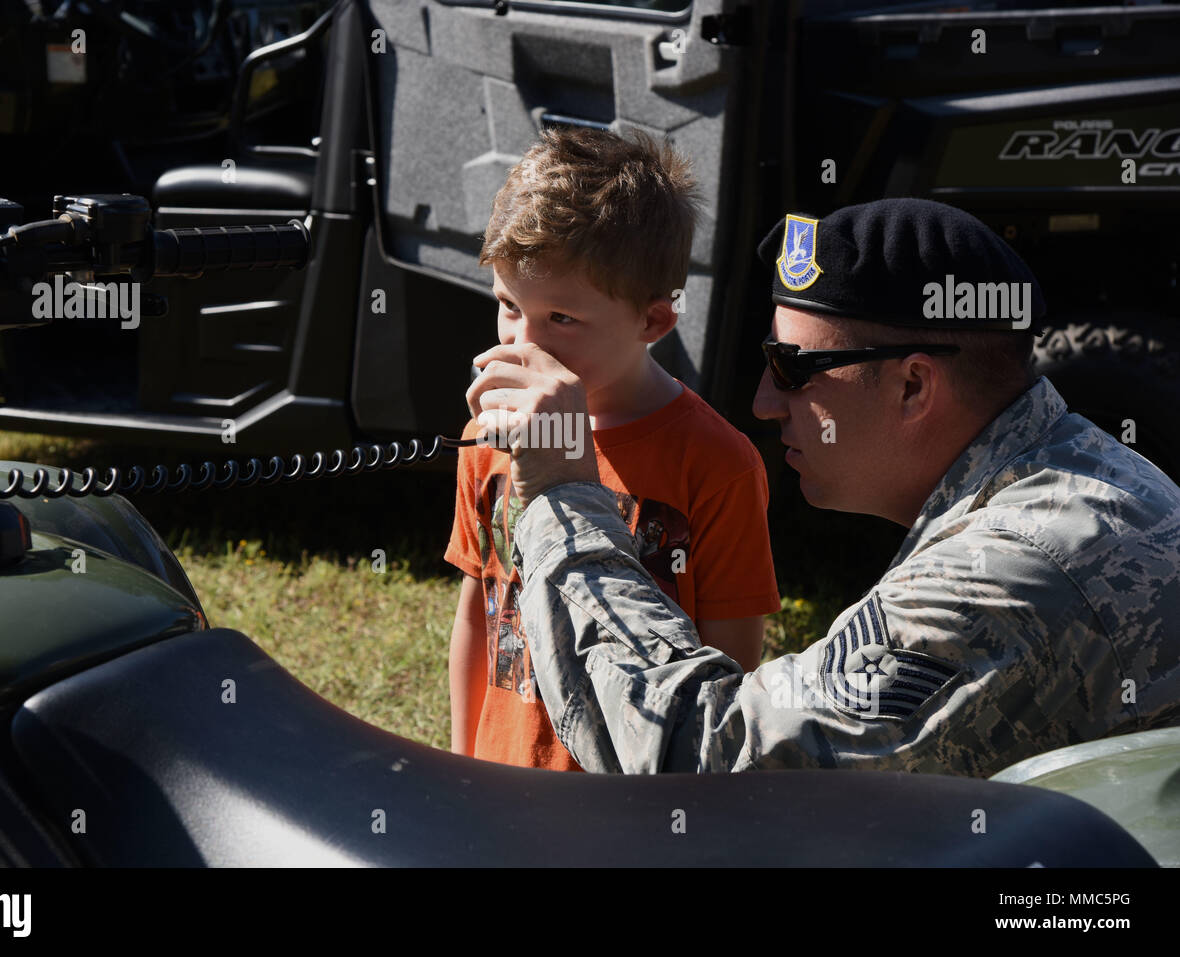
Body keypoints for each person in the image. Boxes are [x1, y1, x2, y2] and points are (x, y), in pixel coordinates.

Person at [466, 197, 1180, 777]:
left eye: (792, 368)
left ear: (912, 384)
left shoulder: (1006, 574)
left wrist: (561, 492)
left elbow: (700, 756)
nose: (764, 404)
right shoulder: (1081, 472)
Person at [445, 126, 782, 769]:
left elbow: (731, 665)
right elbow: (476, 618)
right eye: (509, 305)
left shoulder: (718, 464)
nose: (526, 343)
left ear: (652, 321)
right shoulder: (494, 429)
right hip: (502, 791)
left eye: (561, 320)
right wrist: (464, 771)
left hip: (636, 804)